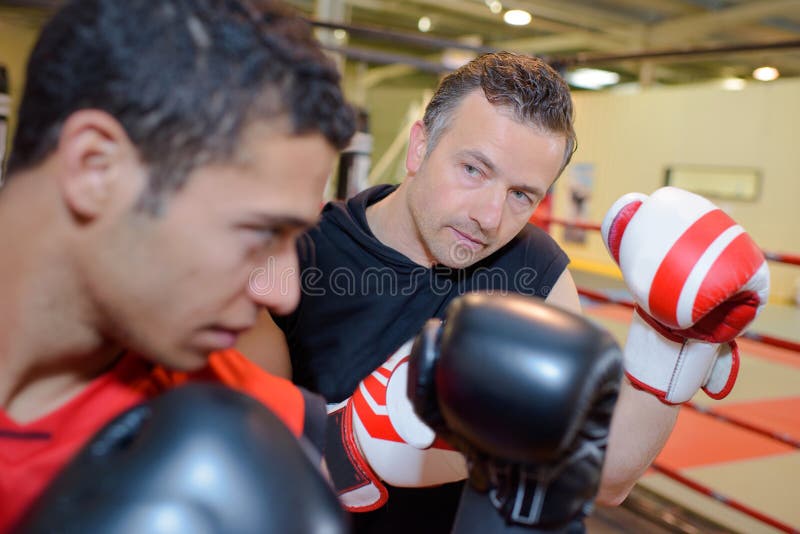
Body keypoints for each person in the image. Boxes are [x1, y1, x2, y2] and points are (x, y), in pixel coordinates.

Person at [246, 52, 767, 532]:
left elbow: (607, 477)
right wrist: (359, 443)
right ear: (420, 145)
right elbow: (250, 460)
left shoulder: (531, 264)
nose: (490, 218)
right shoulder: (303, 257)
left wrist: (670, 347)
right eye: (474, 169)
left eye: (522, 195)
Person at [0, 0, 355, 530]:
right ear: (96, 168)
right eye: (262, 232)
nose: (284, 296)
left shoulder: (192, 382)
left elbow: (354, 454)